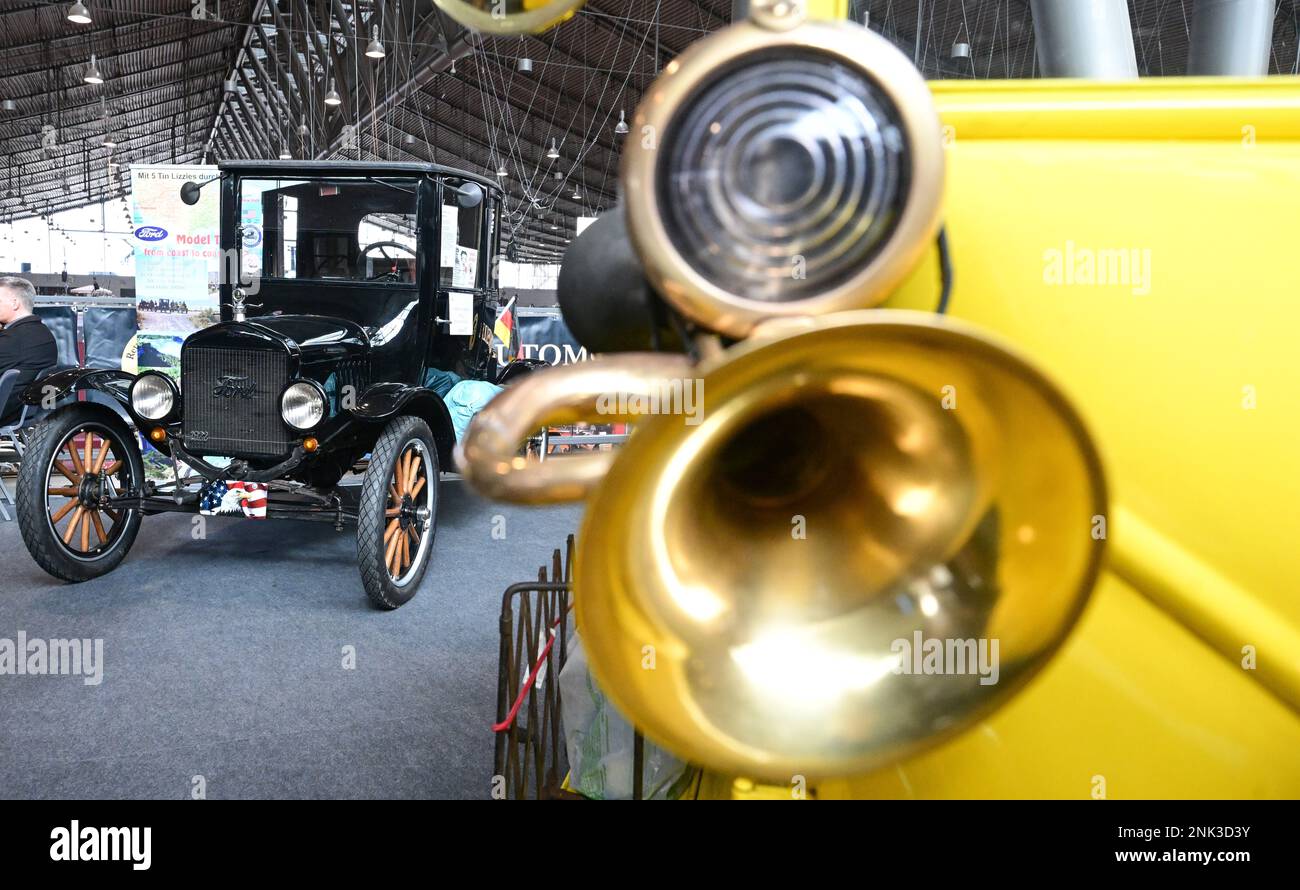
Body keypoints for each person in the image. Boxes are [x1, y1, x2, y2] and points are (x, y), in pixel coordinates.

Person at [0, 276, 58, 424]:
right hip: (27, 410)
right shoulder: (43, 333)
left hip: (8, 411)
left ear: (14, 303)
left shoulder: (13, 338)